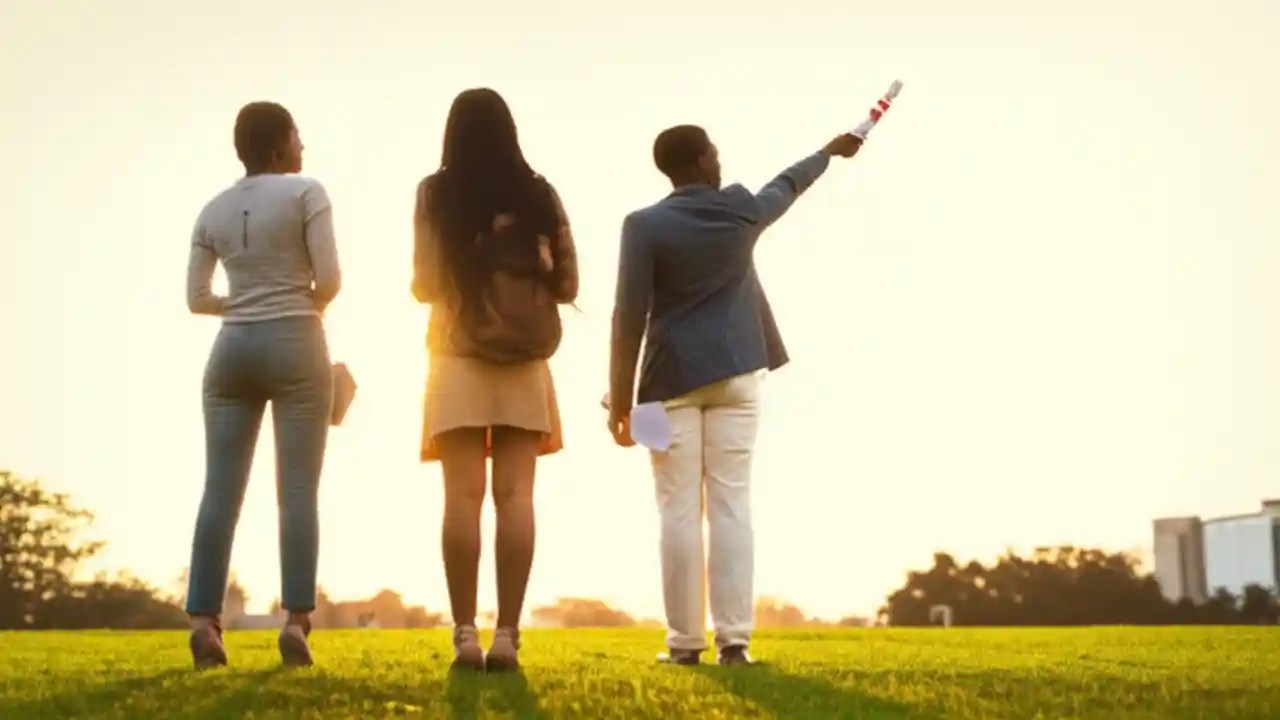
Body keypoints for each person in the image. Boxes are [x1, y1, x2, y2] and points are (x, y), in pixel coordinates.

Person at [608, 124, 864, 665]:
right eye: (714, 151)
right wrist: (828, 152)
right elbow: (788, 185)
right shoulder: (739, 212)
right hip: (739, 374)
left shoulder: (643, 226)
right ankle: (735, 642)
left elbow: (627, 317)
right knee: (731, 506)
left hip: (663, 385)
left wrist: (620, 403)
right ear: (702, 161)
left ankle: (683, 645)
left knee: (676, 512)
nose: (719, 158)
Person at [412, 88, 578, 672]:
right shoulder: (538, 194)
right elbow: (569, 284)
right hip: (525, 359)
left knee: (461, 496)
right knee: (517, 496)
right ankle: (507, 634)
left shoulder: (436, 194)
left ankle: (463, 634)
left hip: (456, 353)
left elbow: (426, 282)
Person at [184, 101, 341, 669]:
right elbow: (331, 280)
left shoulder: (212, 210)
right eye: (298, 135)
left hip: (230, 350)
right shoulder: (307, 192)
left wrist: (245, 302)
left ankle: (204, 620)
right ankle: (296, 621)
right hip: (297, 338)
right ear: (279, 147)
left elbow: (197, 299)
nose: (304, 146)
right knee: (296, 491)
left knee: (219, 492)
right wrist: (293, 303)